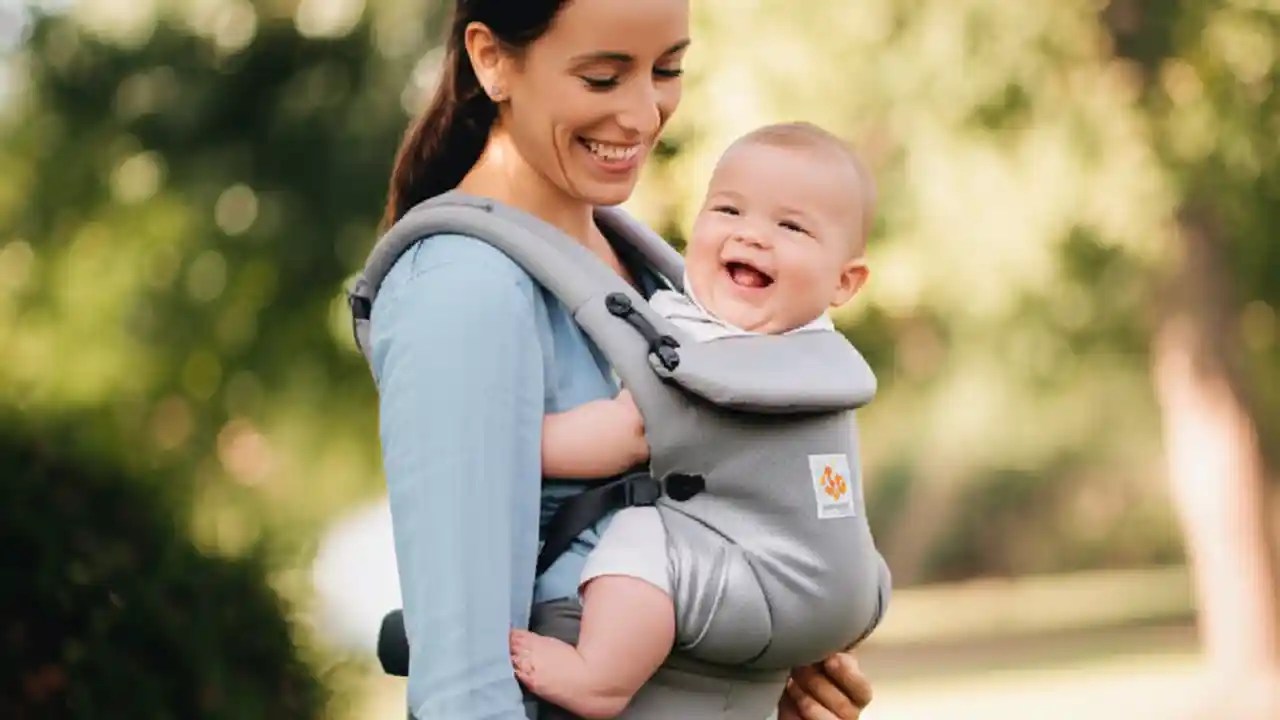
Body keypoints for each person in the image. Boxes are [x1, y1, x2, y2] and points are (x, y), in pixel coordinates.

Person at [370, 1, 878, 717]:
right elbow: (463, 688)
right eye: (603, 78)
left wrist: (767, 679)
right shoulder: (464, 289)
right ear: (491, 59)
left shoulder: (660, 280)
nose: (643, 115)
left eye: (667, 69)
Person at [507, 122, 878, 719]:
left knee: (643, 534)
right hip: (853, 592)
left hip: (762, 587)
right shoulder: (820, 358)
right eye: (729, 210)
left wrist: (507, 439)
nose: (751, 235)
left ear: (845, 281)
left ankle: (598, 677)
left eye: (790, 227)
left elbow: (622, 433)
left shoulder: (712, 359)